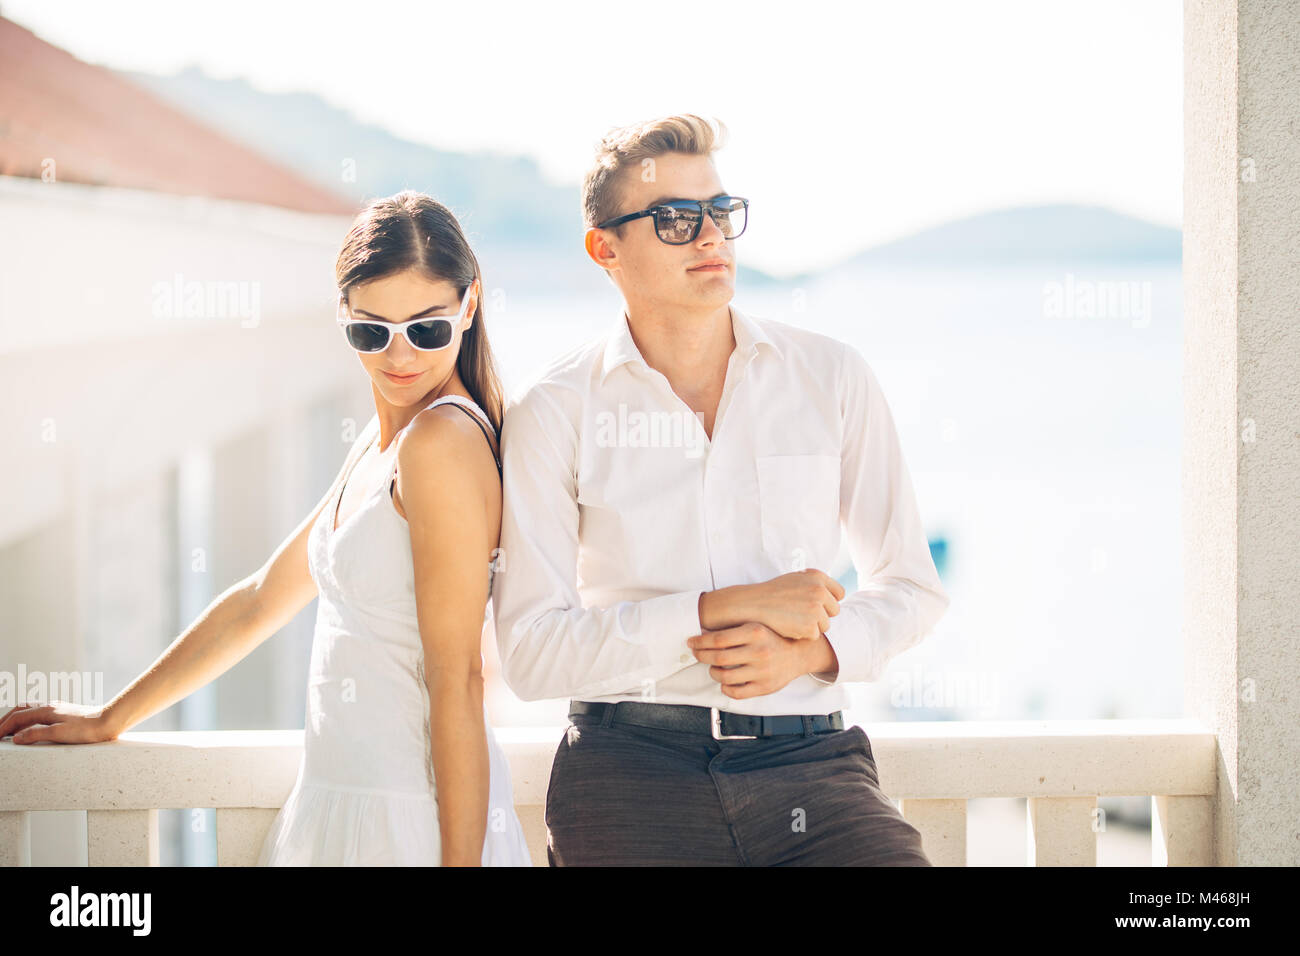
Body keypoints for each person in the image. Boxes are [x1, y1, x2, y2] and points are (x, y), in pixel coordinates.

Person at [0, 191, 532, 867]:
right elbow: (258, 601)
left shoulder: (440, 444)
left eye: (425, 329)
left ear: (470, 303)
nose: (400, 356)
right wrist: (113, 717)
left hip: (406, 823)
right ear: (343, 315)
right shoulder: (380, 442)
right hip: (340, 804)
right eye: (372, 331)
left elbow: (456, 678)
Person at [492, 114, 950, 866]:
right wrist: (719, 610)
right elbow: (533, 655)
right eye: (674, 219)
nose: (710, 236)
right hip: (628, 771)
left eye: (719, 212)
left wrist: (814, 654)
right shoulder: (554, 410)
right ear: (604, 247)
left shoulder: (831, 376)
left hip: (809, 767)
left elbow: (912, 587)